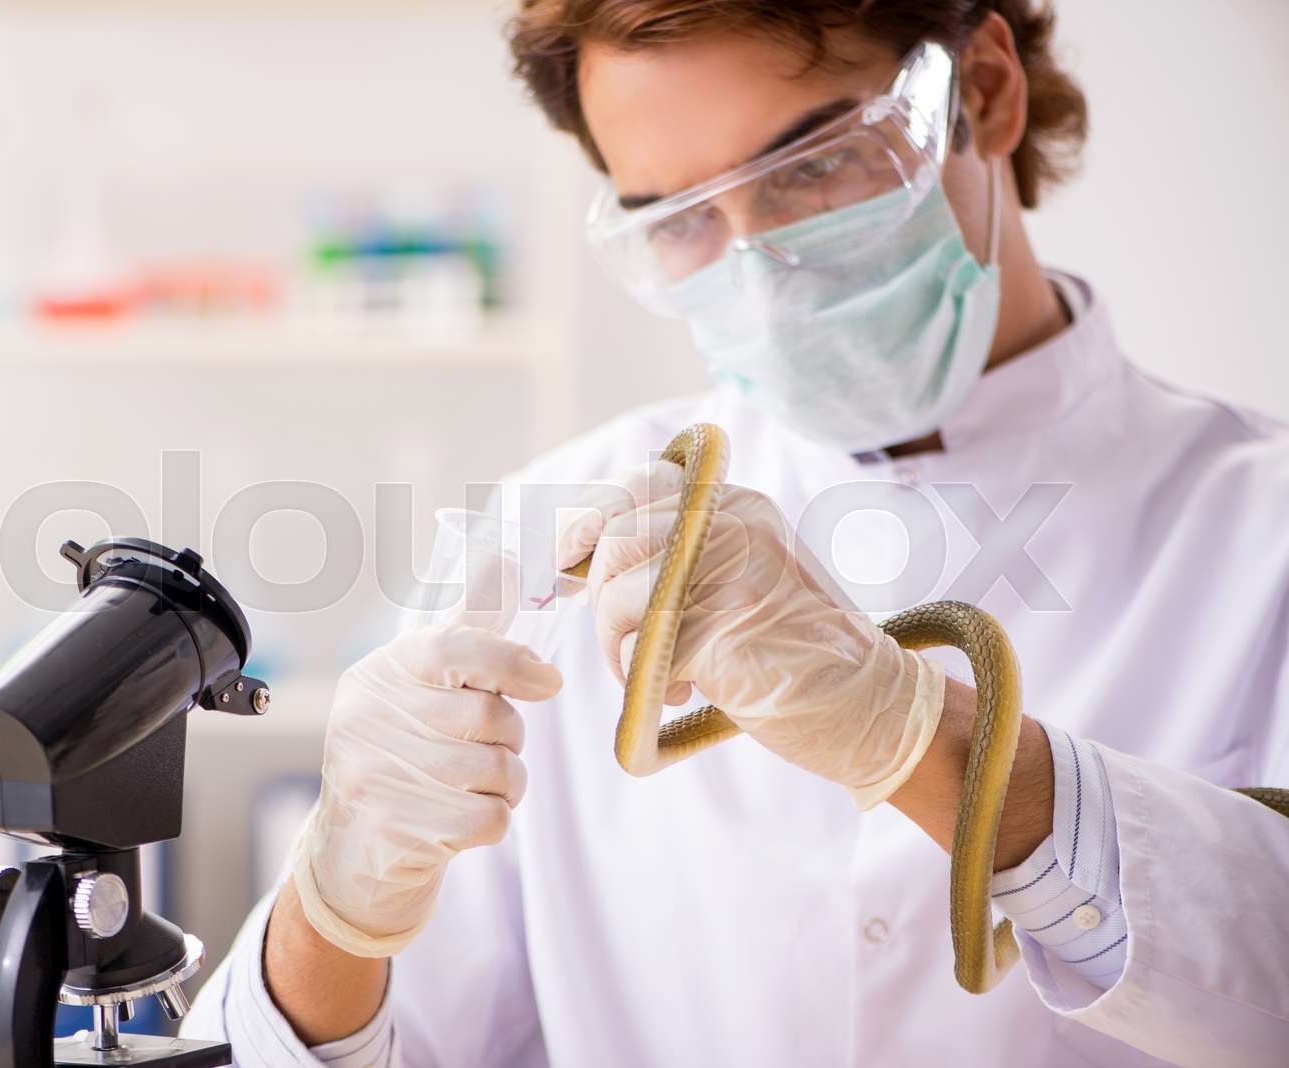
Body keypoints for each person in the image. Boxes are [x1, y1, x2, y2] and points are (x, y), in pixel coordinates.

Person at [184, 2, 1289, 1064]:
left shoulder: (1260, 527)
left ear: (985, 93)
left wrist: (914, 734)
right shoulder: (555, 525)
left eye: (813, 165)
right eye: (679, 217)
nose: (756, 265)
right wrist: (333, 906)